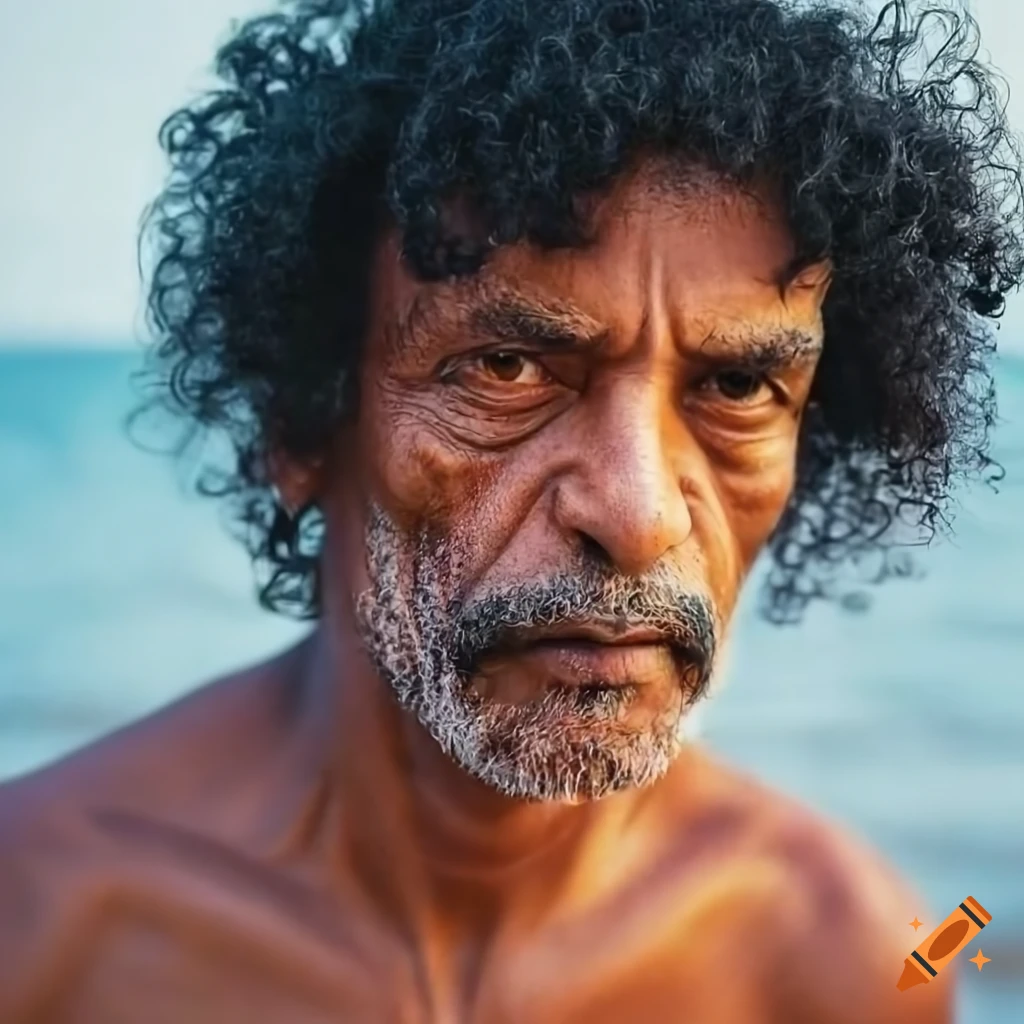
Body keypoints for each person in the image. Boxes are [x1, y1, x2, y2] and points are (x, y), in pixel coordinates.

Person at [1, 0, 1021, 1020]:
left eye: (738, 386)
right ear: (304, 423)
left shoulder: (839, 965)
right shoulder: (39, 932)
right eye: (506, 367)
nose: (639, 515)